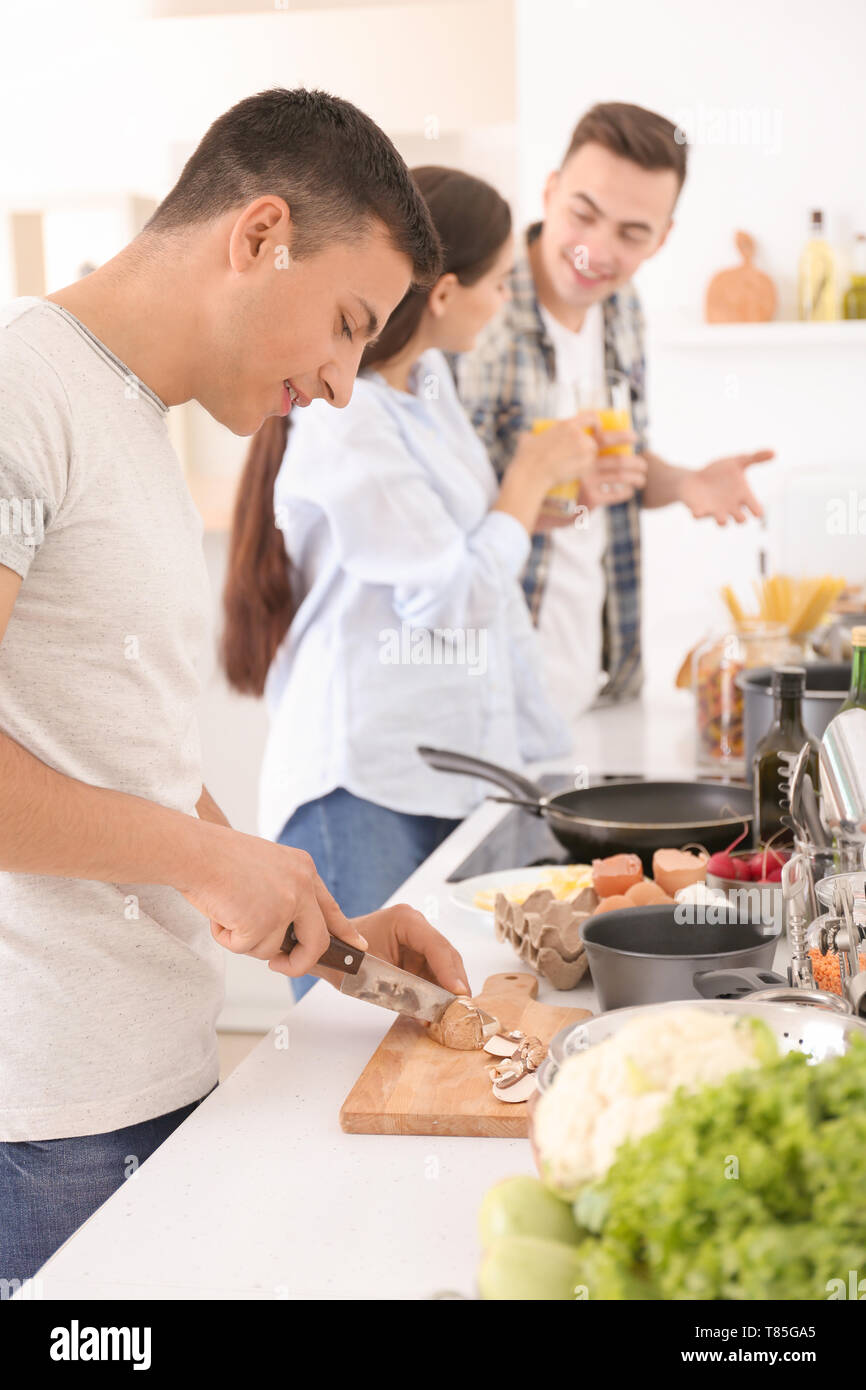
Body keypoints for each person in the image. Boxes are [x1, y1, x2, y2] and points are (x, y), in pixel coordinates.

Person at [0, 88, 474, 1287]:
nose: (341, 382)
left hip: (141, 1075)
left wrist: (325, 921)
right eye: (347, 323)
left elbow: (110, 757)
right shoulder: (19, 389)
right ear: (260, 234)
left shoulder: (132, 418)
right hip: (41, 1116)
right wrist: (209, 862)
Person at [222, 167, 631, 1000]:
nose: (509, 298)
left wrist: (539, 509)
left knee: (444, 1010)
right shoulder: (351, 415)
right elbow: (442, 599)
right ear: (442, 294)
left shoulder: (428, 392)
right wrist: (522, 485)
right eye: (502, 282)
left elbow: (446, 544)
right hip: (365, 782)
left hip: (444, 766)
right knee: (367, 1035)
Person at [455, 101, 774, 728]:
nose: (596, 251)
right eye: (584, 214)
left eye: (633, 233)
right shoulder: (474, 311)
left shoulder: (623, 308)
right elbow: (438, 517)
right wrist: (555, 494)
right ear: (549, 191)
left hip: (592, 686)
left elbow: (617, 469)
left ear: (663, 238)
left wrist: (682, 482)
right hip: (486, 693)